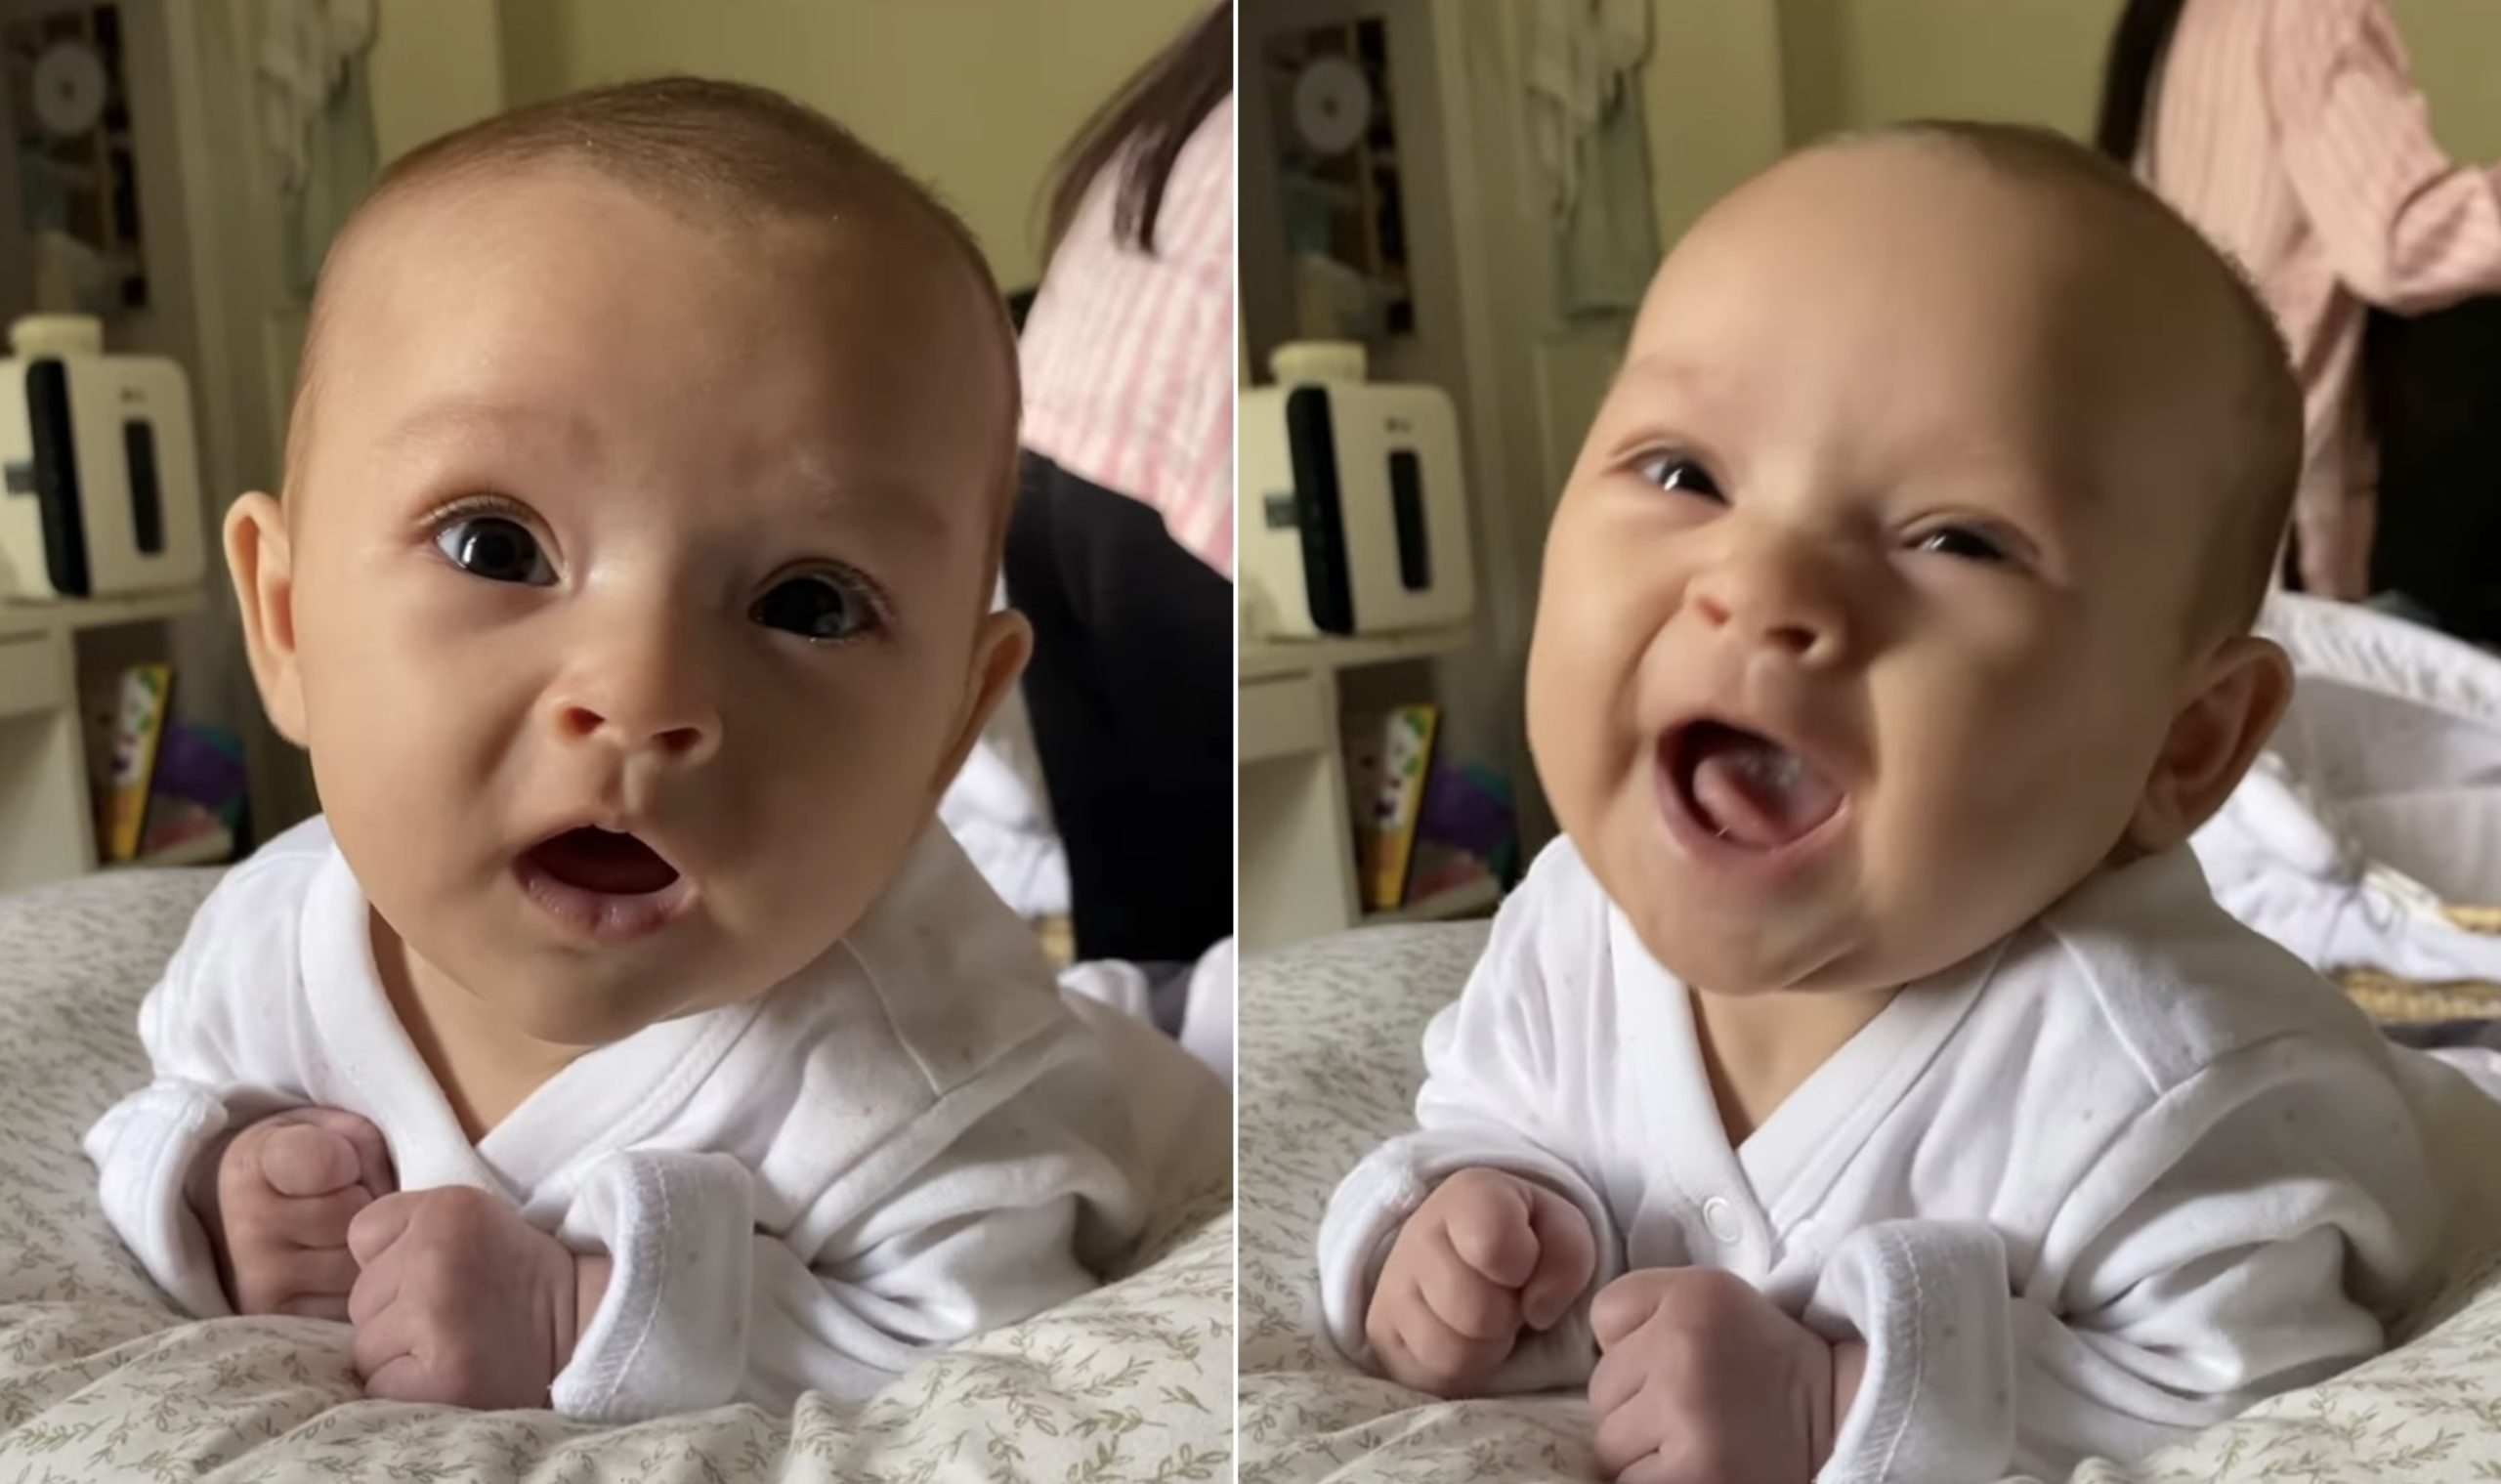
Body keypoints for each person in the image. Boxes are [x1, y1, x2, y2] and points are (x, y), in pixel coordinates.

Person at [1315, 123, 2501, 1484]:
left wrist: (1848, 1394)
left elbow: (2261, 1379)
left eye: (1956, 539)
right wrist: (1469, 1220)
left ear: (2183, 744)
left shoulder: (2181, 1087)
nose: (1759, 585)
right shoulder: (1572, 912)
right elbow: (1486, 1103)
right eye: (1685, 472)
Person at [81, 78, 1223, 1423]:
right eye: (494, 546)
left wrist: (586, 1310)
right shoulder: (272, 934)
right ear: (284, 619)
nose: (642, 694)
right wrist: (216, 1188)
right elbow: (168, 1098)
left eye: (808, 602)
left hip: (1125, 1068)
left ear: (946, 736)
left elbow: (980, 1334)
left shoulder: (929, 1079)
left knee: (1178, 1033)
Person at [2097, 0, 2501, 601]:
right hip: (2283, 497)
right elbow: (2398, 242)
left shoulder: (2193, 17)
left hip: (2204, 469)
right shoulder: (2310, 12)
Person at [1009, 2, 1233, 965]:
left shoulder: (1175, 108)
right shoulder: (1208, 120)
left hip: (1051, 468)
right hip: (1148, 507)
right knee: (1197, 938)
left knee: (1138, 931)